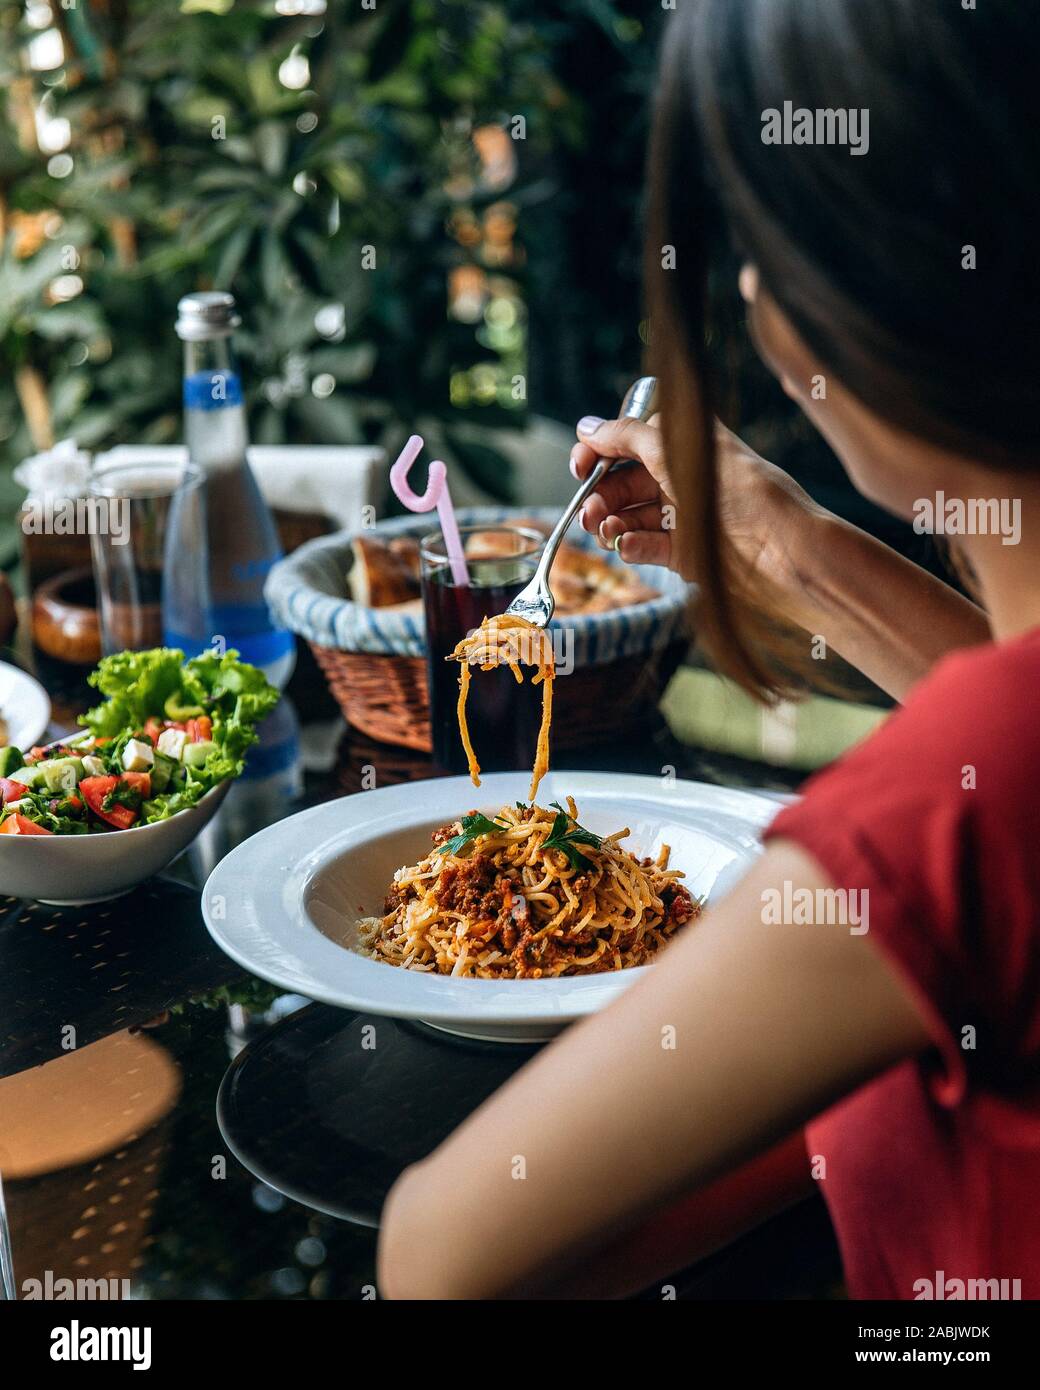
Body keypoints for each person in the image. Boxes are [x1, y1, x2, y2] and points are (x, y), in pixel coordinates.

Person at [378, 0, 1040, 1299]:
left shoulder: (929, 826)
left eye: (759, 248)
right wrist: (788, 547)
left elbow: (433, 1254)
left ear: (835, 311)